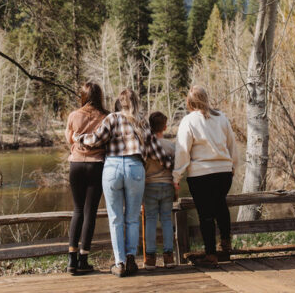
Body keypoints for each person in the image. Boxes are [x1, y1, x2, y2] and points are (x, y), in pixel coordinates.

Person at [76, 88, 173, 278]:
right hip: (135, 168)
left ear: (118, 103)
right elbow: (156, 152)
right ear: (136, 103)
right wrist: (172, 167)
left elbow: (95, 140)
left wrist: (79, 139)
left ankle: (119, 262)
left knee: (115, 219)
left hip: (112, 168)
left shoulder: (111, 118)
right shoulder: (141, 121)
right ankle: (130, 259)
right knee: (132, 218)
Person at [173, 85, 239, 267]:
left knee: (206, 214)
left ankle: (211, 254)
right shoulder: (221, 117)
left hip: (201, 174)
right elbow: (232, 144)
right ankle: (225, 240)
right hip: (224, 172)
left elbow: (182, 150)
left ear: (189, 101)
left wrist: (176, 176)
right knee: (220, 205)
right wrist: (233, 165)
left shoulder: (189, 121)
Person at [64, 82, 109, 275]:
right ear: (99, 97)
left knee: (77, 210)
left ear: (83, 96)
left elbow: (69, 139)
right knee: (90, 211)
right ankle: (83, 258)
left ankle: (71, 259)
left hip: (76, 165)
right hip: (96, 165)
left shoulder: (74, 115)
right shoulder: (105, 117)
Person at [142, 111, 176, 269]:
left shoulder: (146, 146)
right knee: (167, 220)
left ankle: (150, 258)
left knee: (150, 220)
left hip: (150, 186)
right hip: (167, 185)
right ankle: (169, 257)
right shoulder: (170, 146)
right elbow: (176, 166)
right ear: (165, 126)